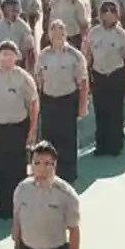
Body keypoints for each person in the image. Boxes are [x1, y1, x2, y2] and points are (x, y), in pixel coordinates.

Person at [0, 41, 39, 220]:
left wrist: (32, 129)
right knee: (0, 169)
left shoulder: (23, 78)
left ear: (16, 56)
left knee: (17, 169)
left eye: (9, 54)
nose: (6, 57)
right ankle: (3, 206)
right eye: (3, 54)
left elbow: (33, 104)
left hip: (17, 128)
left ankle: (19, 207)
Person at [34, 21, 89, 184]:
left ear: (66, 34)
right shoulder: (43, 56)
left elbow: (83, 82)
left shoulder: (75, 55)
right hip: (49, 101)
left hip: (67, 100)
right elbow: (38, 81)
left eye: (61, 32)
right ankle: (49, 173)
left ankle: (69, 174)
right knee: (49, 140)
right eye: (54, 32)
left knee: (68, 139)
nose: (57, 35)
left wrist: (82, 106)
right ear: (49, 36)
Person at [84, 1, 125, 156]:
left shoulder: (121, 34)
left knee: (115, 111)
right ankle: (102, 145)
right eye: (105, 10)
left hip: (116, 75)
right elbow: (87, 56)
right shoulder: (93, 33)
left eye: (112, 11)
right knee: (101, 111)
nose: (108, 13)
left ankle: (116, 144)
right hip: (99, 76)